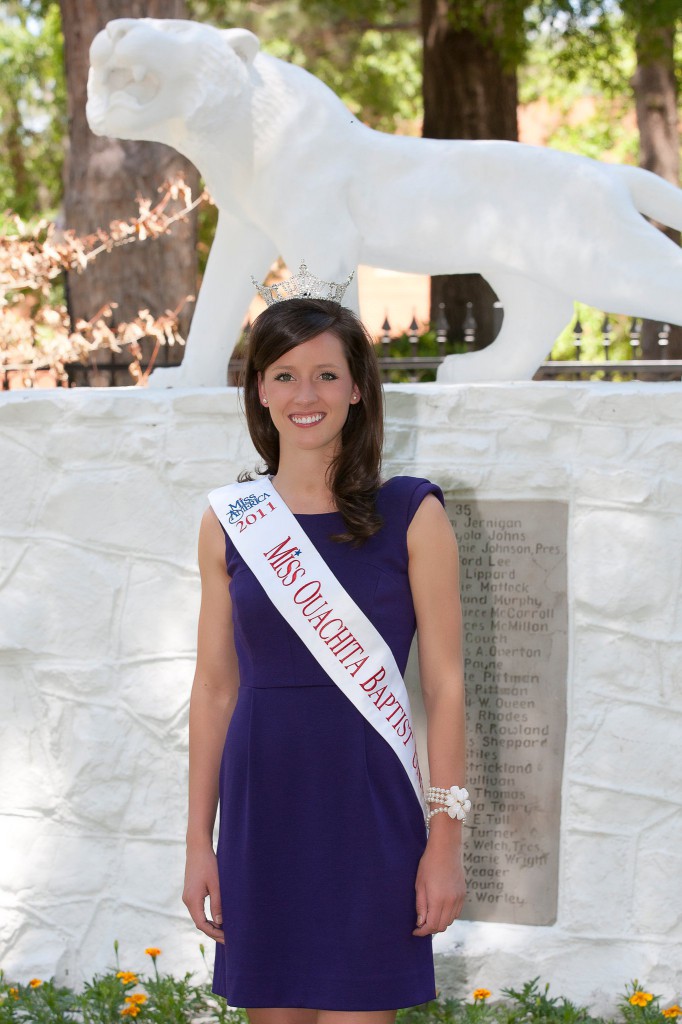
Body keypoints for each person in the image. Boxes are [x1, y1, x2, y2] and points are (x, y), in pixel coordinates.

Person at [182, 280, 467, 1024]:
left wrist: (446, 842)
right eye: (284, 374)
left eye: (326, 374)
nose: (304, 393)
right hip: (262, 803)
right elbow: (214, 691)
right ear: (259, 391)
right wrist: (197, 844)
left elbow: (445, 687)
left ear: (358, 392)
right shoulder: (231, 522)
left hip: (368, 805)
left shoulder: (413, 513)